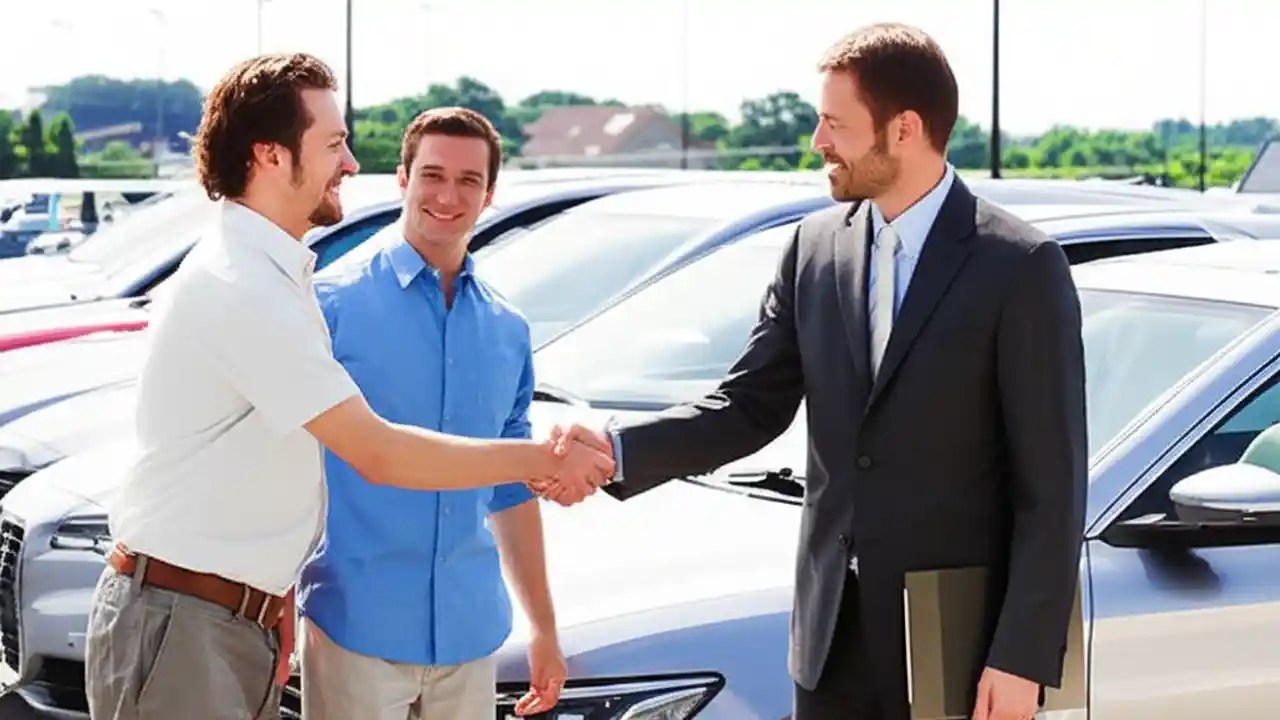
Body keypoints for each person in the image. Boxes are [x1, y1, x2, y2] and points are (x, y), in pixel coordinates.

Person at [548, 22, 1087, 720]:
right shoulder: (814, 247)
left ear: (905, 129)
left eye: (835, 122)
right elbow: (748, 405)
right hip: (829, 638)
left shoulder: (1019, 265)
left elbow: (1053, 486)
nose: (816, 141)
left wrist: (1021, 657)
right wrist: (615, 450)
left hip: (955, 641)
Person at [84, 54, 609, 720]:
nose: (352, 164)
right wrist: (545, 458)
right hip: (191, 625)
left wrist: (271, 598)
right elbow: (377, 452)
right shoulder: (244, 287)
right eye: (334, 144)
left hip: (227, 618)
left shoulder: (273, 277)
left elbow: (273, 470)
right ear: (271, 155)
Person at [297, 107, 565, 719]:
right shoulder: (329, 308)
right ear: (403, 179)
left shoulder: (507, 329)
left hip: (471, 636)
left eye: (469, 181)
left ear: (490, 194)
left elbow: (511, 489)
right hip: (354, 628)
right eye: (433, 175)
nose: (448, 196)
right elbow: (284, 466)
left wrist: (544, 627)